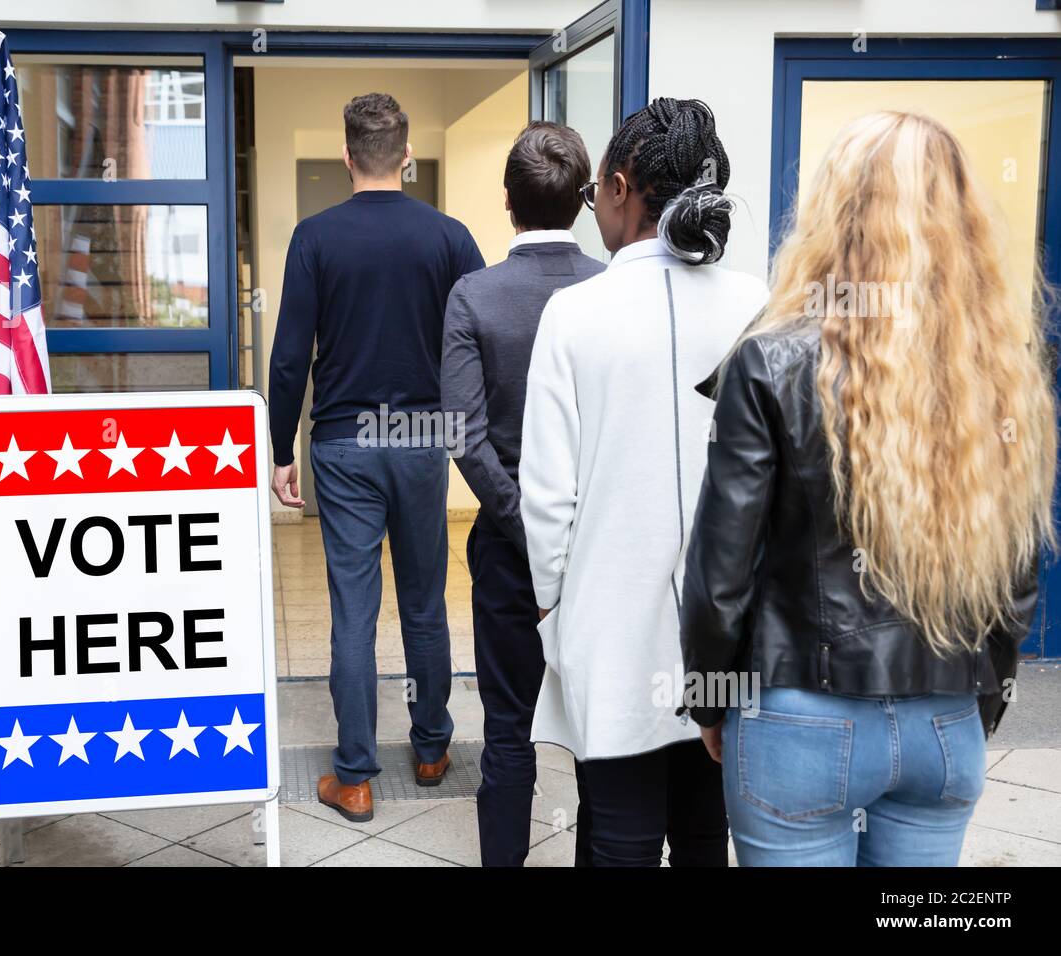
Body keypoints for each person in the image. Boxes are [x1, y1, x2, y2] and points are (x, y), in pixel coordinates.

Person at [679, 111, 1055, 866]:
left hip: (795, 719)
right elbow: (1017, 582)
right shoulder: (1003, 373)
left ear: (831, 214)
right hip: (943, 724)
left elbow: (720, 576)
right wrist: (981, 703)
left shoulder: (771, 360)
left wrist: (711, 701)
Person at [520, 98, 768, 866]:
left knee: (617, 839)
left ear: (622, 187)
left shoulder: (573, 313)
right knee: (704, 837)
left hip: (610, 629)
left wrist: (553, 605)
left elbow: (546, 497)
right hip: (731, 641)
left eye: (597, 192)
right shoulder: (761, 304)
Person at [268, 93, 485, 823]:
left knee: (353, 612)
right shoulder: (449, 237)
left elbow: (291, 355)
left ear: (346, 157)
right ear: (407, 155)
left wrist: (278, 450)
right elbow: (480, 342)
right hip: (421, 439)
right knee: (425, 605)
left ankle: (355, 776)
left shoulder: (315, 237)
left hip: (342, 440)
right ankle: (430, 749)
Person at [440, 121, 605, 866]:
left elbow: (462, 435)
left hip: (510, 556)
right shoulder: (612, 288)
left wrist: (529, 530)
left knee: (508, 726)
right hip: (603, 552)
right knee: (604, 732)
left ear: (509, 201)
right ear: (584, 199)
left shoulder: (474, 296)